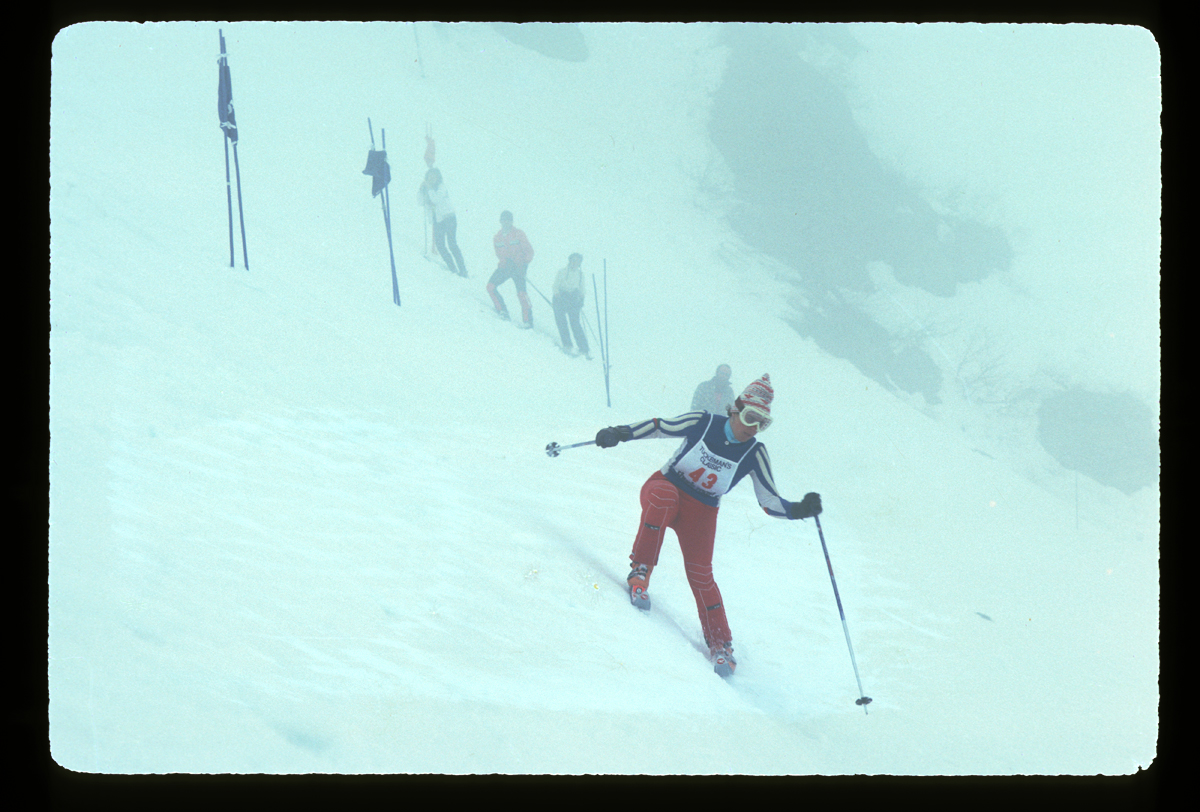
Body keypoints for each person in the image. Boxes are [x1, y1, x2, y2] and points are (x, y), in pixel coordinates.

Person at [593, 374, 822, 677]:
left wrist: (800, 510)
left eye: (761, 424)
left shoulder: (754, 452)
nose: (752, 428)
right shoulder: (704, 422)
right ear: (735, 409)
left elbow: (769, 502)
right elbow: (662, 426)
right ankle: (640, 571)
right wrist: (620, 433)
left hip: (702, 512)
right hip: (667, 487)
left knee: (701, 574)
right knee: (662, 498)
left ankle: (721, 645)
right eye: (750, 417)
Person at [487, 210, 535, 327]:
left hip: (518, 267)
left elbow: (529, 252)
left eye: (508, 220)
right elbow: (498, 253)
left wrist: (523, 265)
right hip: (505, 267)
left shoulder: (519, 234)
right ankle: (502, 310)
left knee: (522, 294)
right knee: (490, 287)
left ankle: (528, 321)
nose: (505, 222)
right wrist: (504, 262)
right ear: (500, 221)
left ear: (511, 221)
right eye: (503, 220)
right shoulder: (497, 237)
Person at [418, 168, 467, 277]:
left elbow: (436, 199)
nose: (432, 179)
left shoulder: (441, 187)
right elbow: (420, 202)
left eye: (434, 176)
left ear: (438, 177)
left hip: (448, 217)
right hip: (438, 220)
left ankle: (463, 270)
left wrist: (429, 188)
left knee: (452, 244)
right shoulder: (428, 189)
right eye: (430, 176)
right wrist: (421, 190)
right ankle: (452, 268)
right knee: (440, 245)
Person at [552, 253, 590, 358]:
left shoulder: (581, 275)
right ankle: (567, 345)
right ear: (570, 261)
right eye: (573, 260)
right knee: (561, 321)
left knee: (575, 323)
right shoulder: (562, 272)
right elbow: (555, 286)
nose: (575, 263)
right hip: (561, 297)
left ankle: (584, 349)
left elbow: (582, 289)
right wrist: (558, 296)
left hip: (573, 298)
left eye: (577, 261)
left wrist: (581, 299)